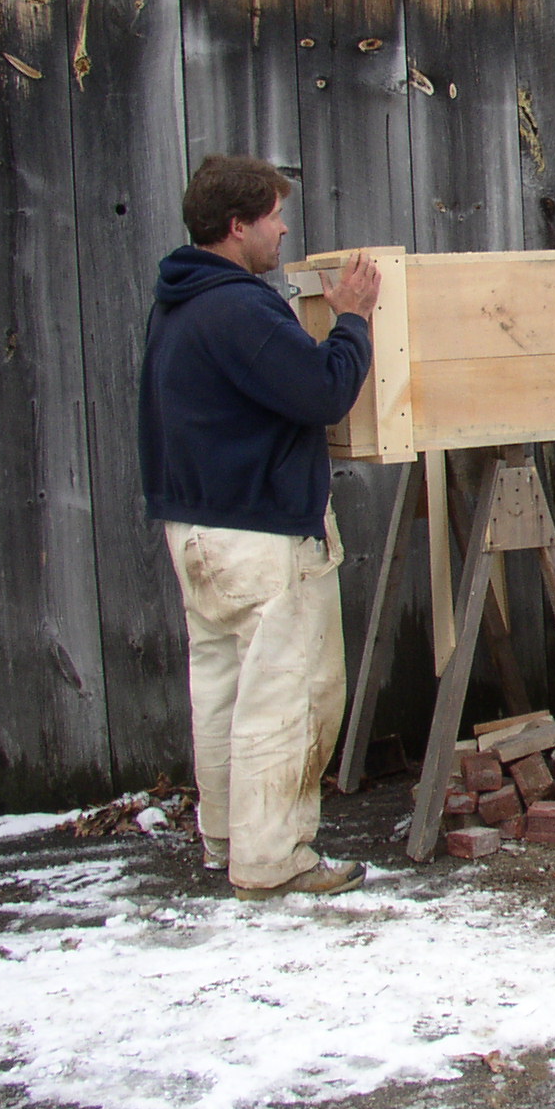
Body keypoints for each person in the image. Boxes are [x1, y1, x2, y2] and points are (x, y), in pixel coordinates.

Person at [139, 155, 380, 901]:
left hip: (198, 531)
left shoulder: (179, 299)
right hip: (258, 534)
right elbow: (321, 392)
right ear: (236, 224)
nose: (282, 229)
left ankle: (225, 841)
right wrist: (352, 321)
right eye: (273, 216)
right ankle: (274, 861)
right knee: (289, 694)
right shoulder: (239, 307)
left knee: (220, 690)